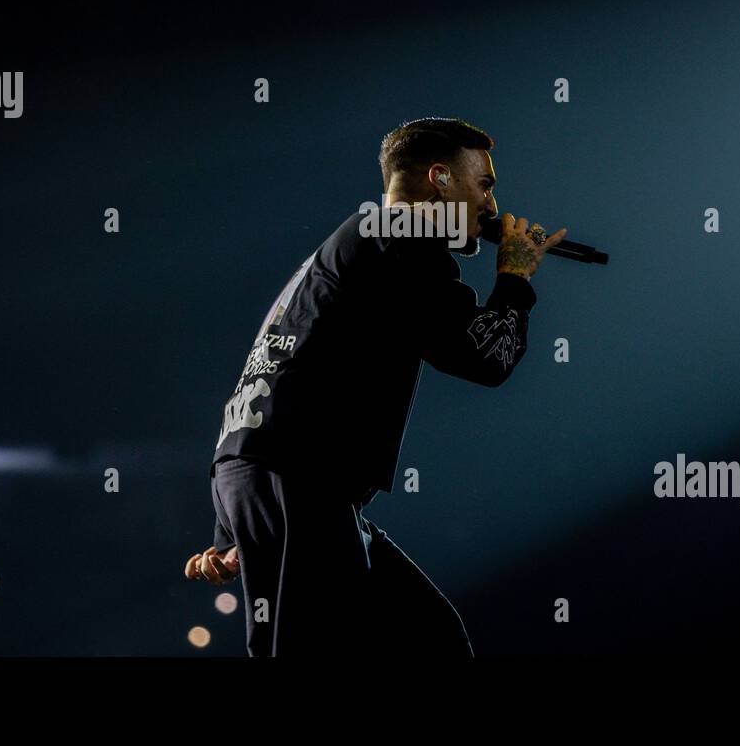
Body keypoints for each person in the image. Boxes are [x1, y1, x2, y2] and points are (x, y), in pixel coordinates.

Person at [183, 117, 566, 656]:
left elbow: (272, 369)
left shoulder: (364, 240)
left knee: (431, 636)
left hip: (278, 475)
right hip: (295, 477)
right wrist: (516, 278)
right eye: (484, 184)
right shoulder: (400, 237)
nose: (490, 205)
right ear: (440, 177)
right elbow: (483, 357)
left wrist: (236, 529)